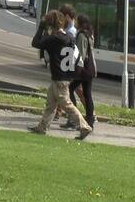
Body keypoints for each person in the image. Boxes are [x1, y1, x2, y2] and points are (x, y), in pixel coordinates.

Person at [29, 11, 92, 139]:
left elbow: (35, 43)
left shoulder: (53, 39)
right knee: (51, 103)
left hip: (59, 77)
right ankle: (42, 127)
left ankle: (84, 126)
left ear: (51, 24)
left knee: (66, 104)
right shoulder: (69, 37)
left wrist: (41, 26)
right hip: (66, 75)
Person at [64, 14, 97, 131]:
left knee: (70, 89)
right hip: (90, 69)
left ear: (81, 23)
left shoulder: (82, 35)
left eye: (77, 21)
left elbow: (80, 54)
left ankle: (73, 119)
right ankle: (90, 121)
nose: (75, 22)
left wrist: (73, 69)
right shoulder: (89, 34)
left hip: (83, 69)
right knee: (87, 95)